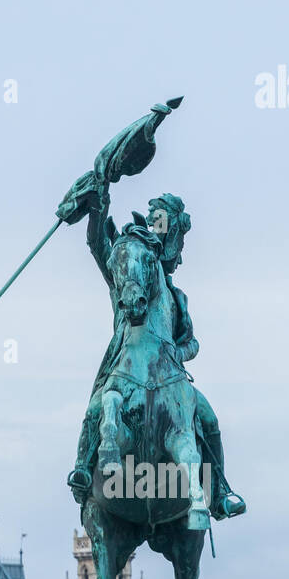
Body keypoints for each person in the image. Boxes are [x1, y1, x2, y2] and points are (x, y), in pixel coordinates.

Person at [63, 179, 245, 520]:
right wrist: (97, 205)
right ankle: (83, 470)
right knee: (95, 410)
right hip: (125, 367)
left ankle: (220, 493)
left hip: (170, 377)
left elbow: (192, 340)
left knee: (209, 419)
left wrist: (180, 353)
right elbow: (97, 242)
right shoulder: (128, 274)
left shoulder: (176, 298)